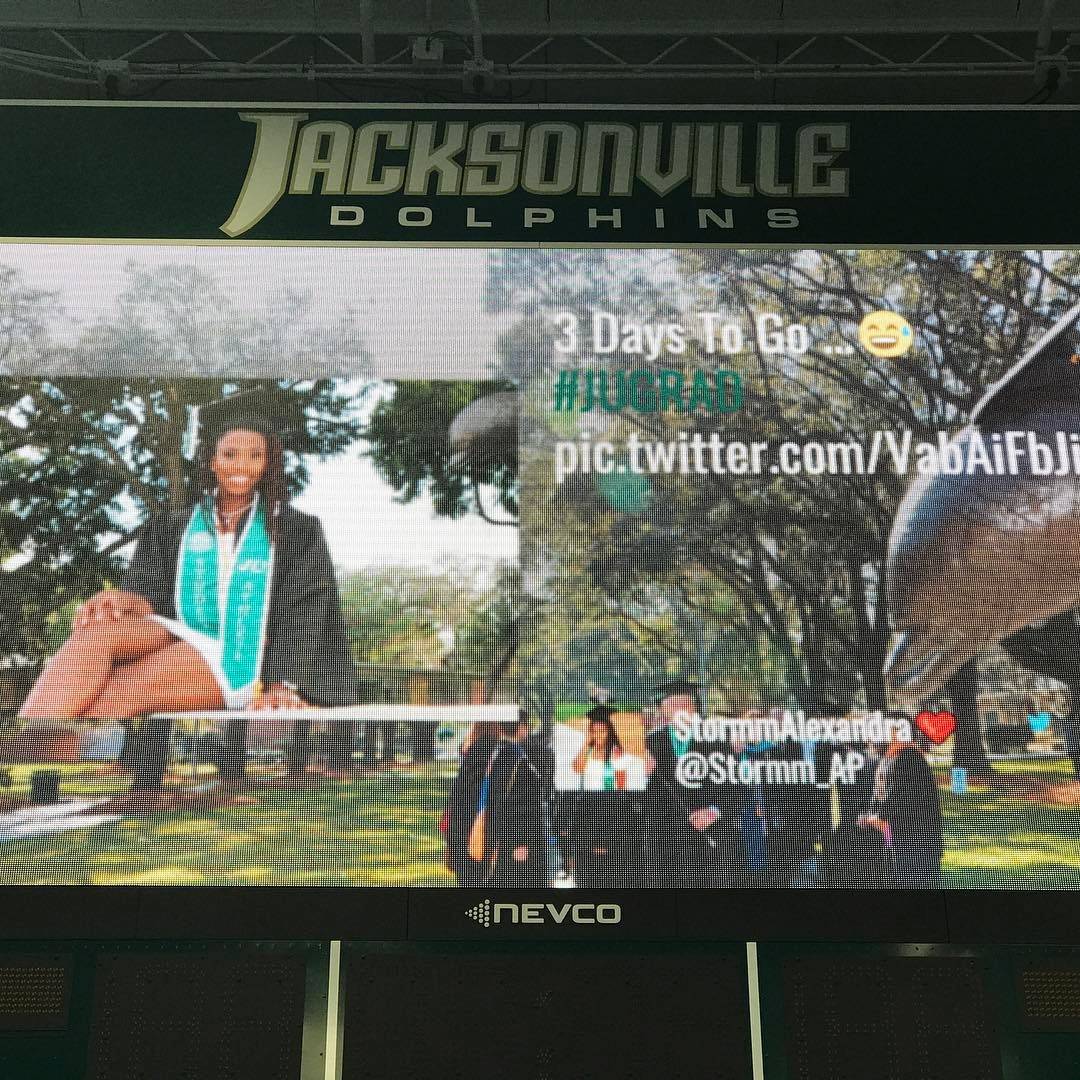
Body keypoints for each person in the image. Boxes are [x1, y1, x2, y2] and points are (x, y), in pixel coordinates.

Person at [18, 398, 360, 783]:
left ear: (268, 464)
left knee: (116, 692)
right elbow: (149, 589)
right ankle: (26, 751)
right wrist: (126, 598)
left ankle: (27, 762)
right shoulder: (172, 525)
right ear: (211, 460)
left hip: (244, 655)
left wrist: (282, 683)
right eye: (230, 454)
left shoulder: (297, 531)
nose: (242, 466)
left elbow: (305, 611)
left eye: (255, 456)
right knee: (94, 633)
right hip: (178, 631)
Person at [642, 679, 742, 887]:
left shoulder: (716, 740)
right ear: (663, 709)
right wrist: (642, 775)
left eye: (685, 704)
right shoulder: (648, 744)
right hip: (664, 842)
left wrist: (714, 811)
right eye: (673, 704)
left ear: (694, 708)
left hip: (708, 838)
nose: (679, 709)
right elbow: (633, 799)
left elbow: (737, 788)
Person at [446, 712, 549, 887]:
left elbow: (458, 799)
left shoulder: (474, 754)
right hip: (497, 841)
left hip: (468, 838)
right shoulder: (516, 758)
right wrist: (522, 842)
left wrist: (453, 842)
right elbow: (524, 805)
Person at [570, 705, 644, 888]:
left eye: (602, 731)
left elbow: (621, 786)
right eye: (594, 731)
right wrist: (586, 743)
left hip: (612, 809)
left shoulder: (617, 753)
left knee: (612, 861)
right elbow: (577, 768)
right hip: (589, 809)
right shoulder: (587, 753)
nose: (599, 735)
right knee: (589, 861)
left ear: (609, 731)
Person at [859, 730, 944, 888]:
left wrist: (868, 820)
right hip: (907, 848)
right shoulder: (892, 759)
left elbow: (888, 814)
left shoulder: (907, 759)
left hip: (916, 851)